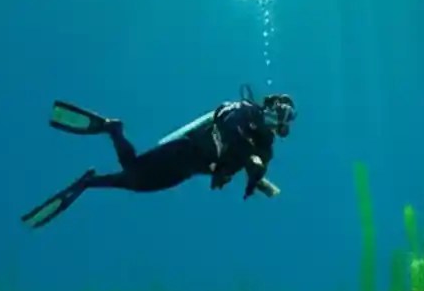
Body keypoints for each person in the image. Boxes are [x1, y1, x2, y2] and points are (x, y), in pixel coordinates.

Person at [20, 86, 296, 229]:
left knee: (137, 183)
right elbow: (230, 129)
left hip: (189, 169)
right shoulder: (244, 110)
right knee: (133, 168)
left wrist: (258, 178)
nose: (278, 119)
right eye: (279, 111)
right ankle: (113, 129)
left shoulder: (264, 146)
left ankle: (90, 182)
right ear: (270, 106)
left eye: (285, 118)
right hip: (184, 150)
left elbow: (255, 166)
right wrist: (251, 164)